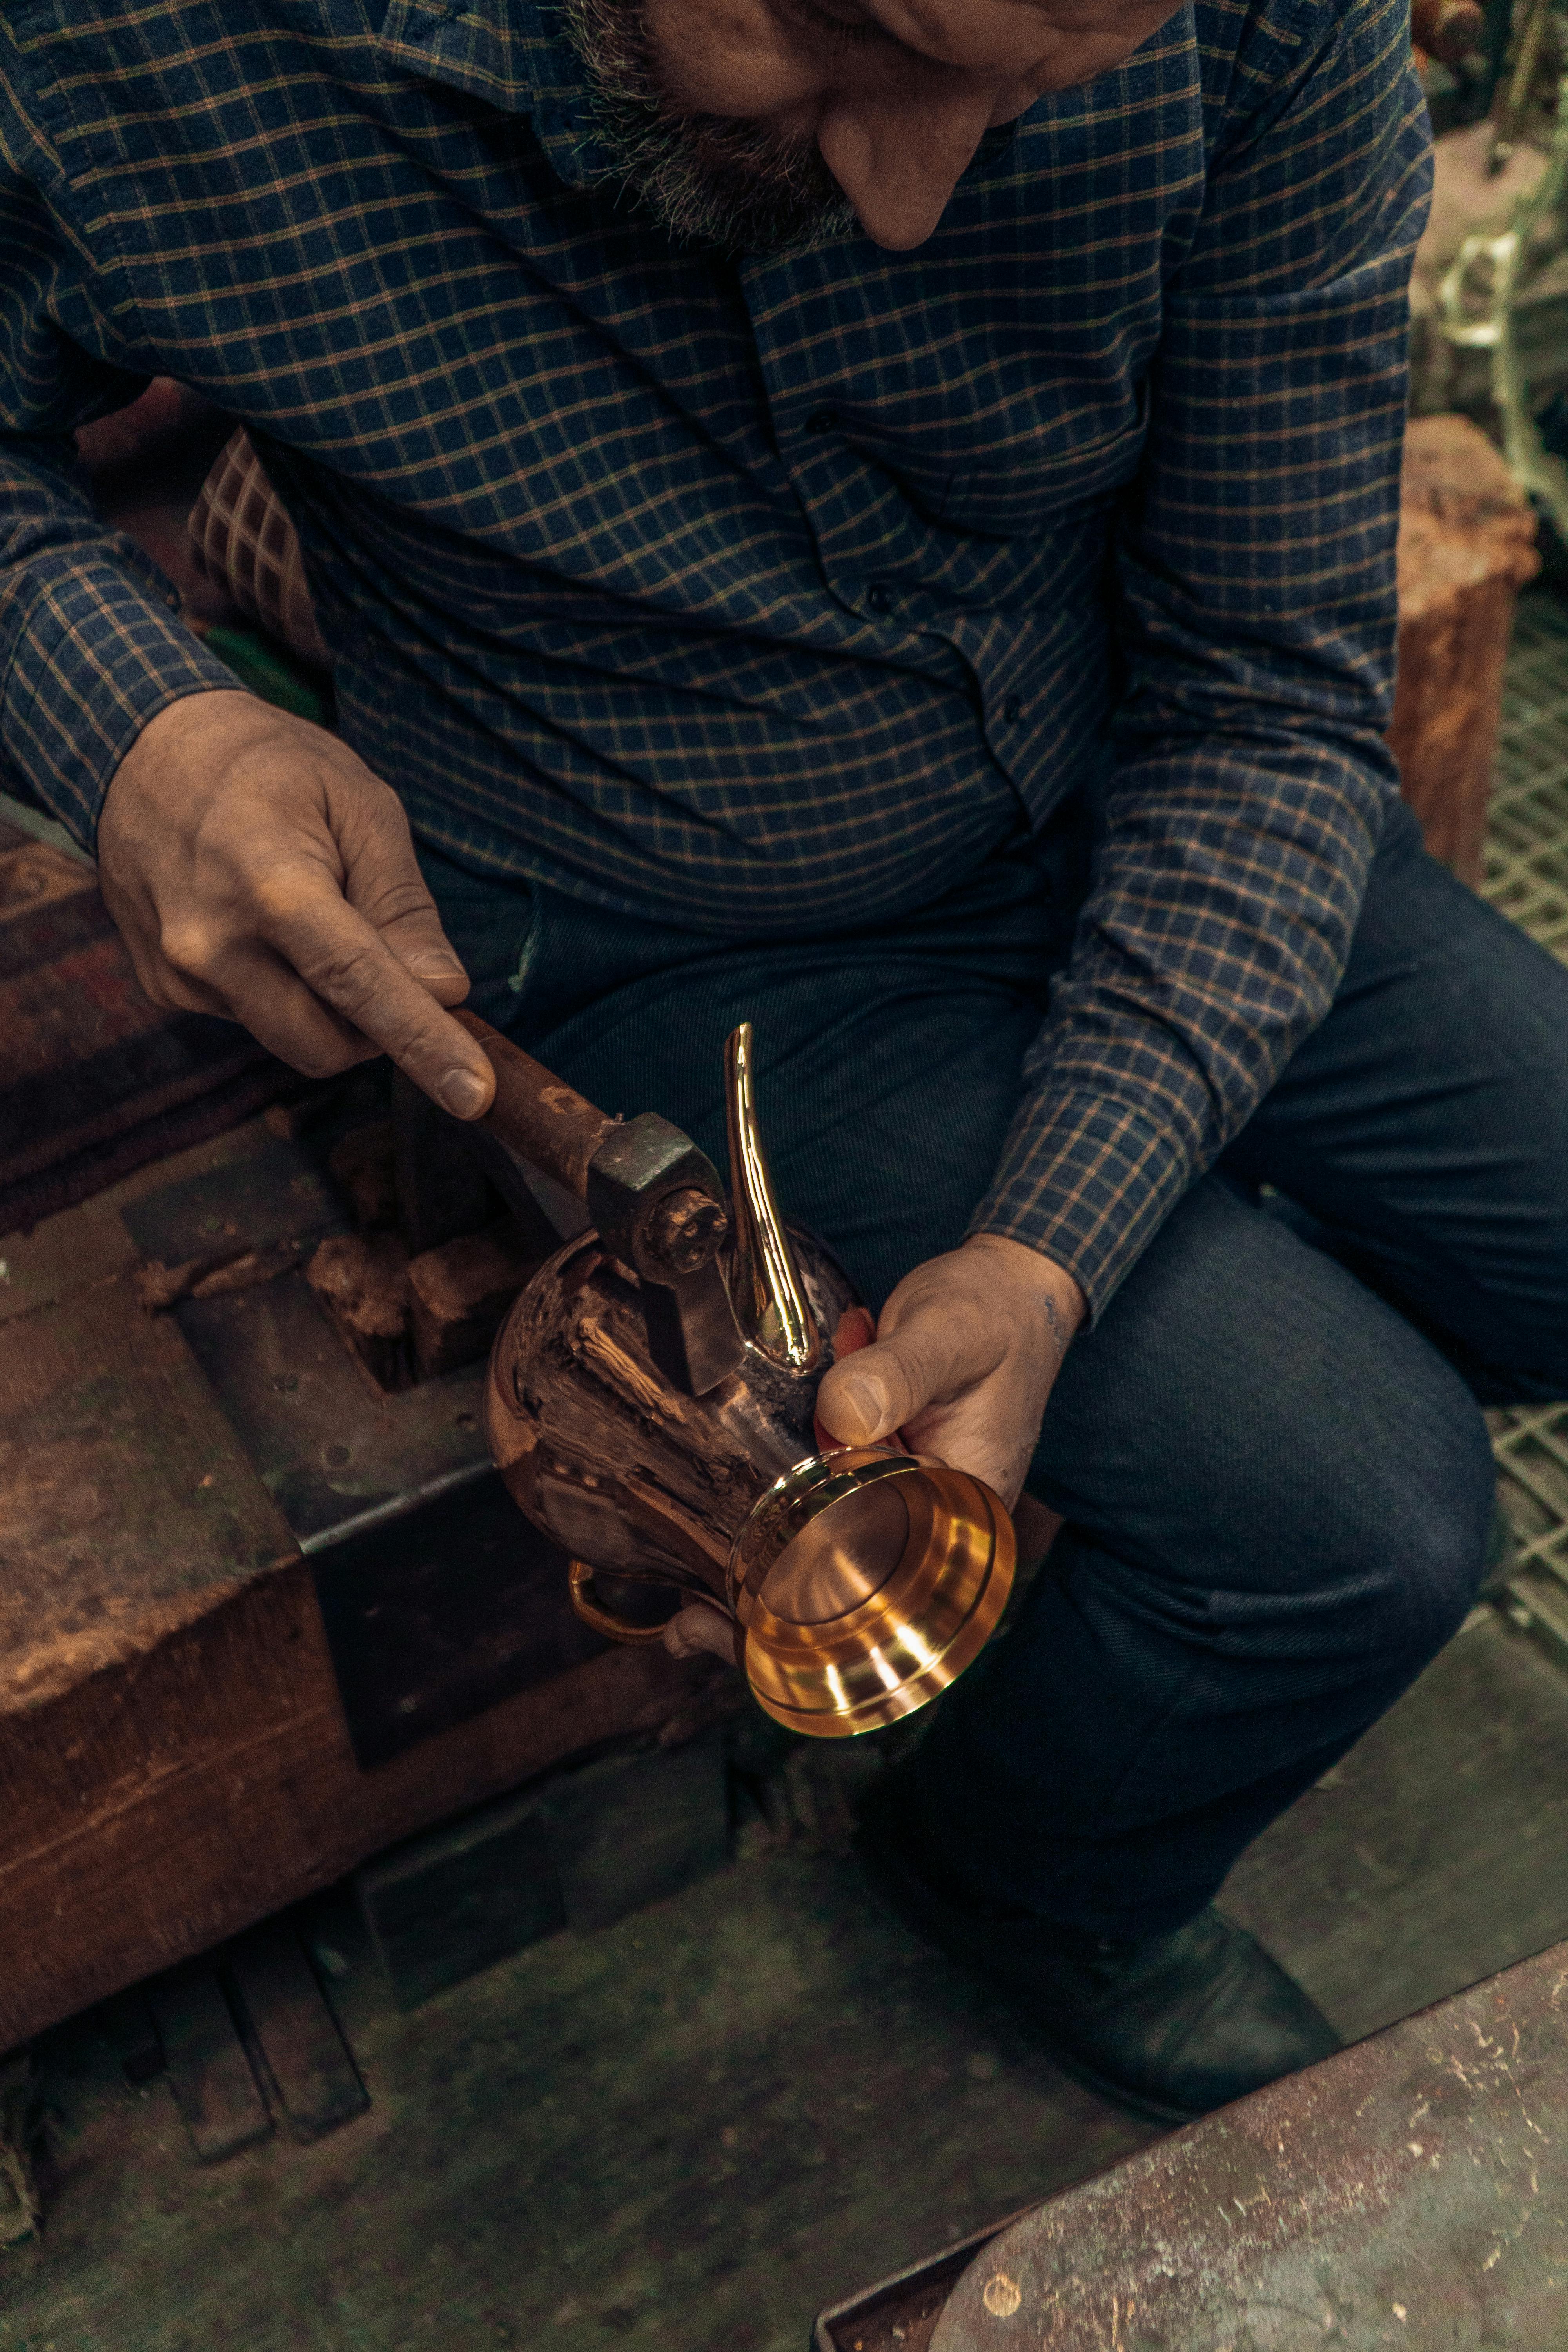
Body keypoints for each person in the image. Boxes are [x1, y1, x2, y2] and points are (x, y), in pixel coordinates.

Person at [3, 0, 1566, 2125]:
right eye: (838, 44)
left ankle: (1176, 1373)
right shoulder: (141, 43)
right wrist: (135, 729)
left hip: (1138, 772)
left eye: (1030, 97)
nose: (911, 201)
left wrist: (1058, 1245)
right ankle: (1028, 1870)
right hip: (684, 931)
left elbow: (1261, 698)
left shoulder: (1261, 15)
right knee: (1356, 1521)